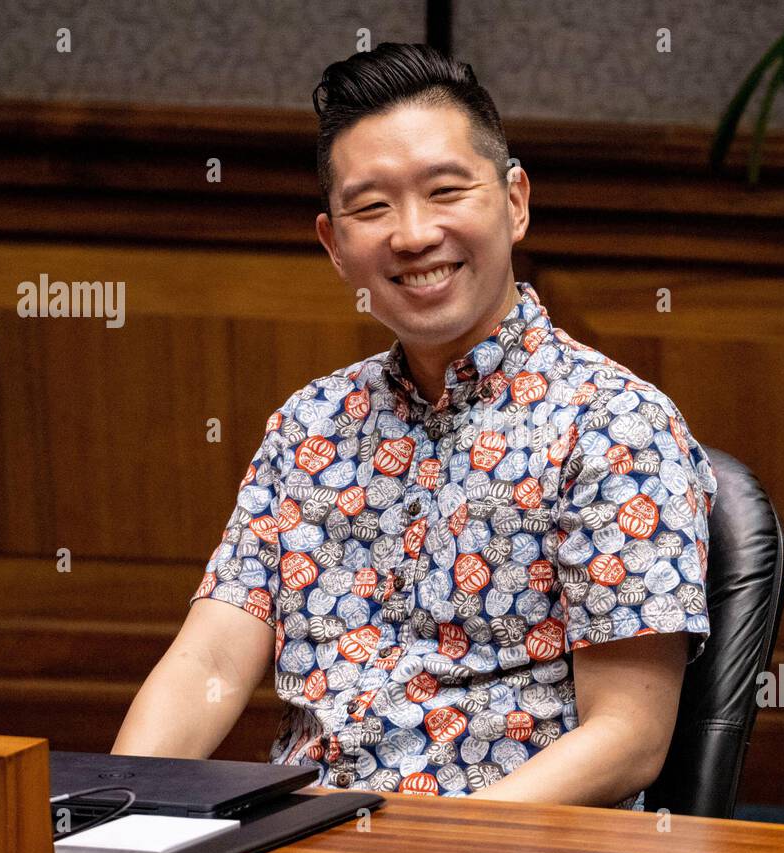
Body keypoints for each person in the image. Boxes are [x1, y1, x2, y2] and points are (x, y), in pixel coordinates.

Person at [113, 42, 717, 811]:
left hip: (510, 851)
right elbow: (211, 666)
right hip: (309, 838)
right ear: (335, 246)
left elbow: (628, 737)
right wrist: (113, 818)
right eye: (371, 207)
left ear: (515, 201)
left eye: (445, 191)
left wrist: (429, 850)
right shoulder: (310, 426)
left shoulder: (615, 425)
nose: (411, 235)